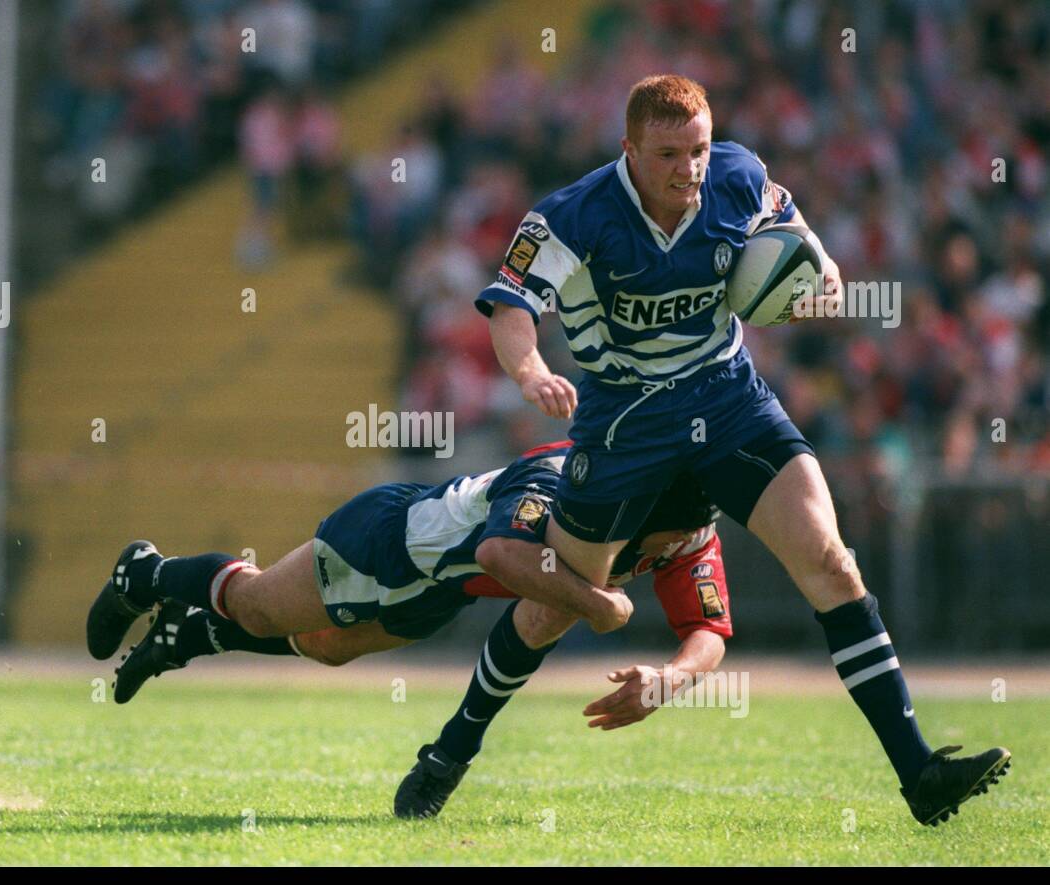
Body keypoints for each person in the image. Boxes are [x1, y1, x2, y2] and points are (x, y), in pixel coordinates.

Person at [472, 72, 1008, 826]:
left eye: (696, 149)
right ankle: (454, 746)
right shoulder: (573, 215)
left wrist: (818, 277)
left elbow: (805, 244)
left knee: (830, 560)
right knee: (553, 604)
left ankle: (918, 770)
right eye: (666, 155)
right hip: (624, 421)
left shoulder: (738, 173)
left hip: (729, 398)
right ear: (628, 151)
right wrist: (530, 370)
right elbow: (510, 306)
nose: (688, 168)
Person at [86, 445, 732, 818]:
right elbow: (502, 557)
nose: (681, 547)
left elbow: (708, 629)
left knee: (329, 648)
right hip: (397, 545)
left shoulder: (686, 520)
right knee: (255, 605)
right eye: (670, 538)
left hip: (442, 587)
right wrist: (603, 605)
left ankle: (186, 638)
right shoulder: (568, 483)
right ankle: (145, 573)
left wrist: (671, 678)